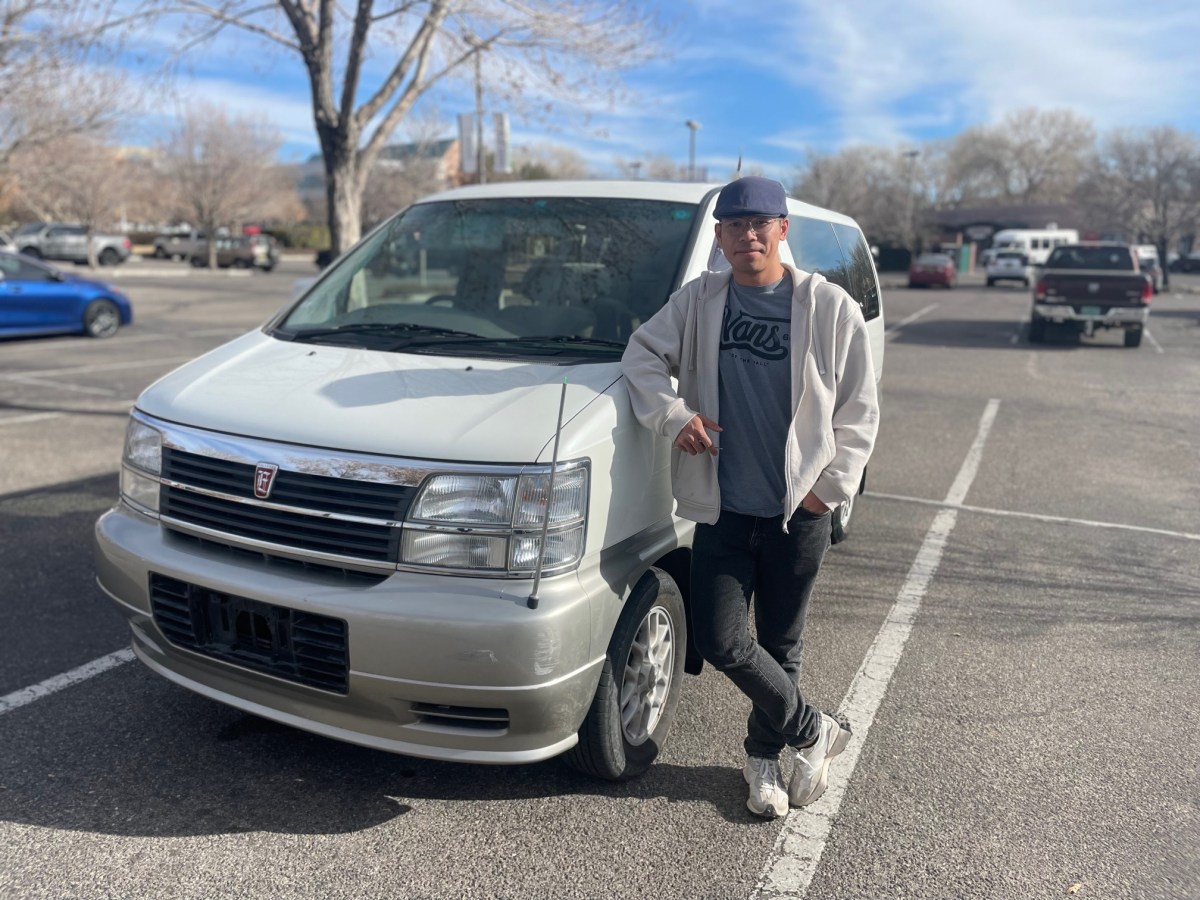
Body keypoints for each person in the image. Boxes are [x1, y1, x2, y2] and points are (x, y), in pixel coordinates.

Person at [620, 176, 879, 819]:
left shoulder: (828, 307)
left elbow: (860, 412)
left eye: (761, 223)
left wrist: (827, 493)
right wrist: (674, 416)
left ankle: (762, 760)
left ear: (783, 229)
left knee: (782, 644)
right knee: (719, 637)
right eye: (735, 226)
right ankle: (813, 729)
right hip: (726, 509)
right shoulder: (700, 301)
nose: (749, 236)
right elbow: (642, 355)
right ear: (720, 237)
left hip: (799, 512)